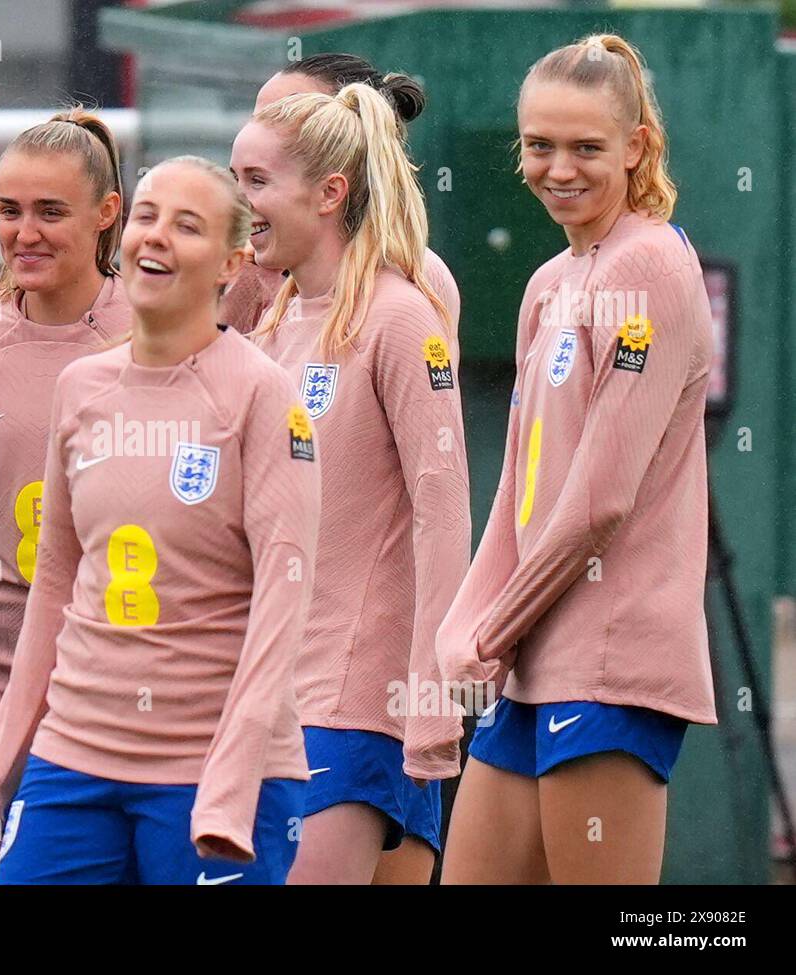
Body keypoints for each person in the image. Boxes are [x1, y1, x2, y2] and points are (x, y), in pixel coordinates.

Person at [0, 156, 321, 884]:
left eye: (188, 225)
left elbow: (284, 597)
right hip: (73, 757)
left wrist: (231, 780)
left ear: (232, 263)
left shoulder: (262, 394)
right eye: (148, 216)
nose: (157, 236)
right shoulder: (82, 387)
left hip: (208, 767)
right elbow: (54, 586)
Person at [437, 35, 716, 884]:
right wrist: (464, 627)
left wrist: (489, 631)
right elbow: (520, 488)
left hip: (611, 662)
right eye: (540, 145)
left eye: (586, 147)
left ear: (635, 147)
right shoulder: (548, 283)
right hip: (531, 658)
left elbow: (600, 501)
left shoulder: (651, 266)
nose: (559, 169)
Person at [231, 79, 471, 886]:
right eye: (235, 181)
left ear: (330, 193)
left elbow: (444, 509)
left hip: (357, 703)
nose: (242, 204)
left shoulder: (399, 315)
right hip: (279, 695)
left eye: (257, 182)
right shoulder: (275, 322)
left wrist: (434, 693)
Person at [0, 107, 130, 883]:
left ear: (106, 213)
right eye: (9, 210)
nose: (25, 232)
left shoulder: (157, 325)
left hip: (128, 687)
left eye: (51, 212)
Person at [220, 52, 460, 359]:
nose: (267, 132)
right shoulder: (248, 265)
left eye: (292, 115)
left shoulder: (413, 277)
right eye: (261, 119)